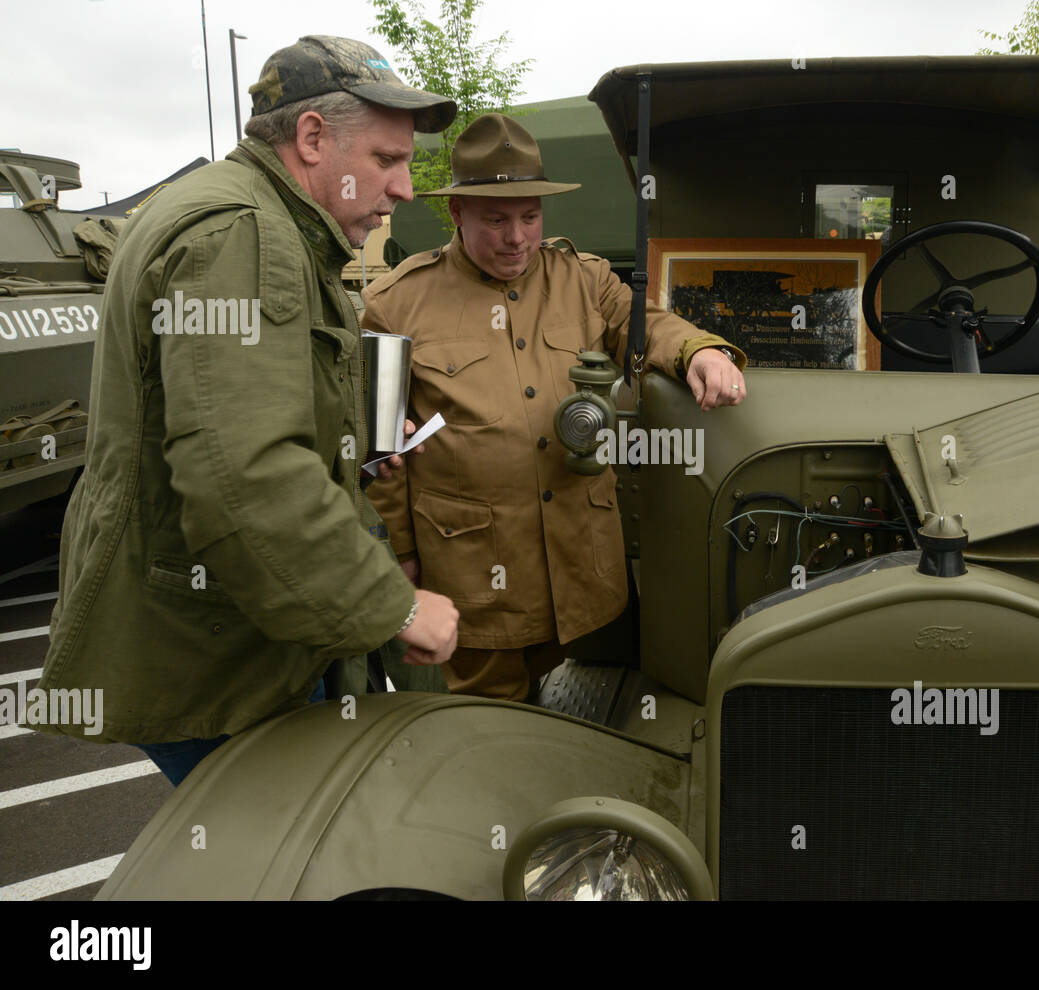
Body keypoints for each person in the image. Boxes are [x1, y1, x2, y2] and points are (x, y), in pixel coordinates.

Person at [34, 36, 460, 786]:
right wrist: (391, 609)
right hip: (221, 648)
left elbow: (229, 428)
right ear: (312, 137)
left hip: (225, 629)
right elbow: (243, 476)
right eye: (388, 161)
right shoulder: (242, 232)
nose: (405, 190)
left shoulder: (252, 219)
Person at [361, 113, 748, 702]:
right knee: (489, 726)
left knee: (586, 703)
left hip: (578, 564)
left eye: (530, 217)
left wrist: (699, 351)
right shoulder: (397, 304)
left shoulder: (584, 279)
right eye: (496, 219)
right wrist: (403, 560)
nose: (517, 237)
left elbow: (644, 324)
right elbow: (382, 450)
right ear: (457, 213)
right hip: (471, 575)